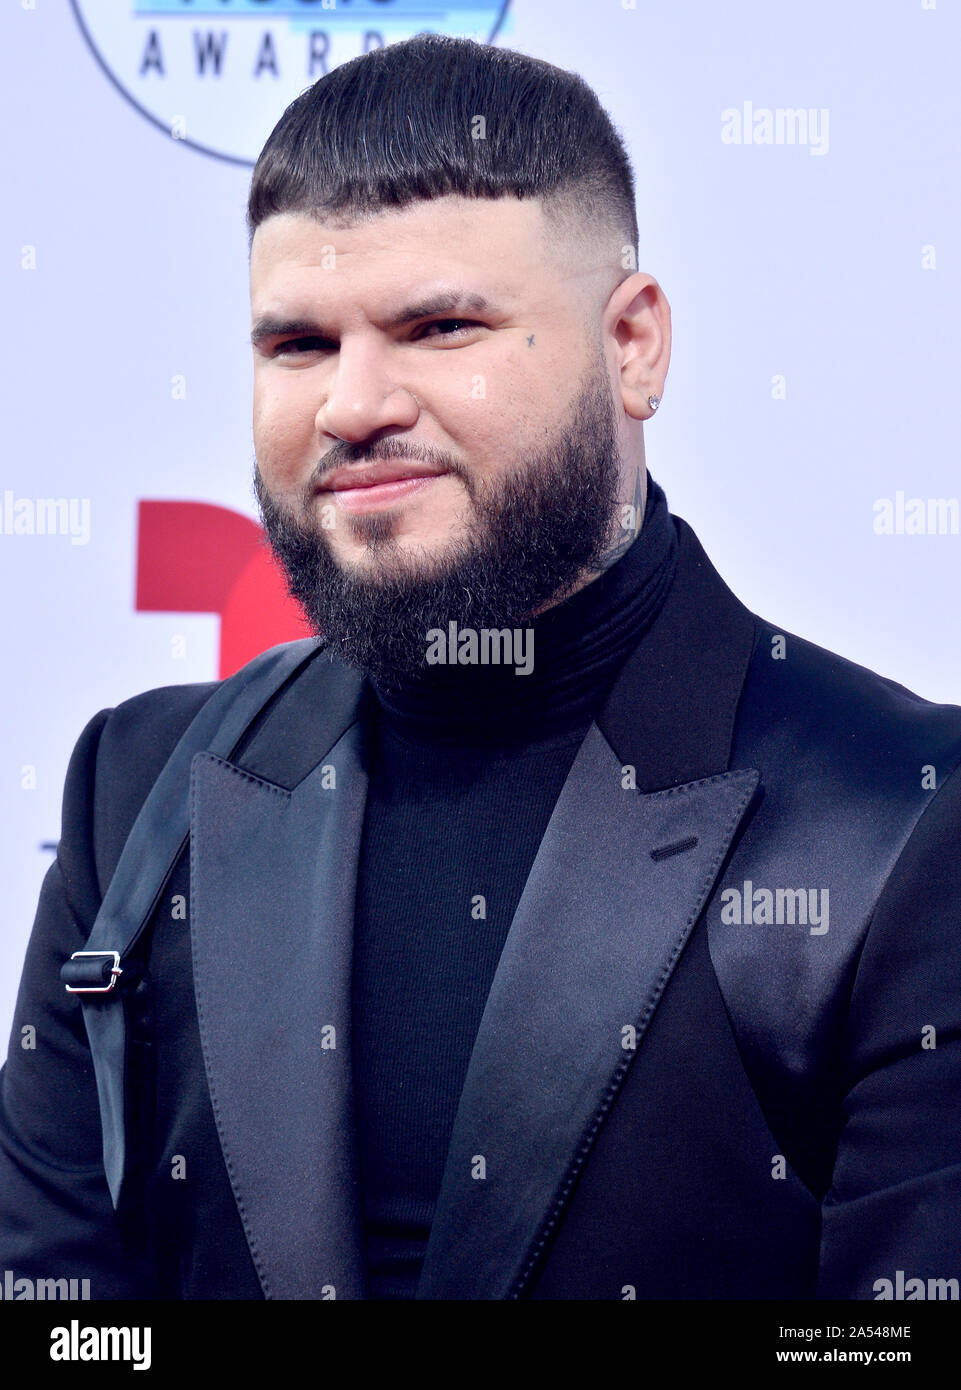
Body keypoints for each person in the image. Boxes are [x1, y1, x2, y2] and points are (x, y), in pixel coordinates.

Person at [2, 33, 960, 1302]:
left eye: (439, 324)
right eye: (296, 344)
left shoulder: (903, 819)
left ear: (633, 346)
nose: (353, 404)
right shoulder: (139, 791)